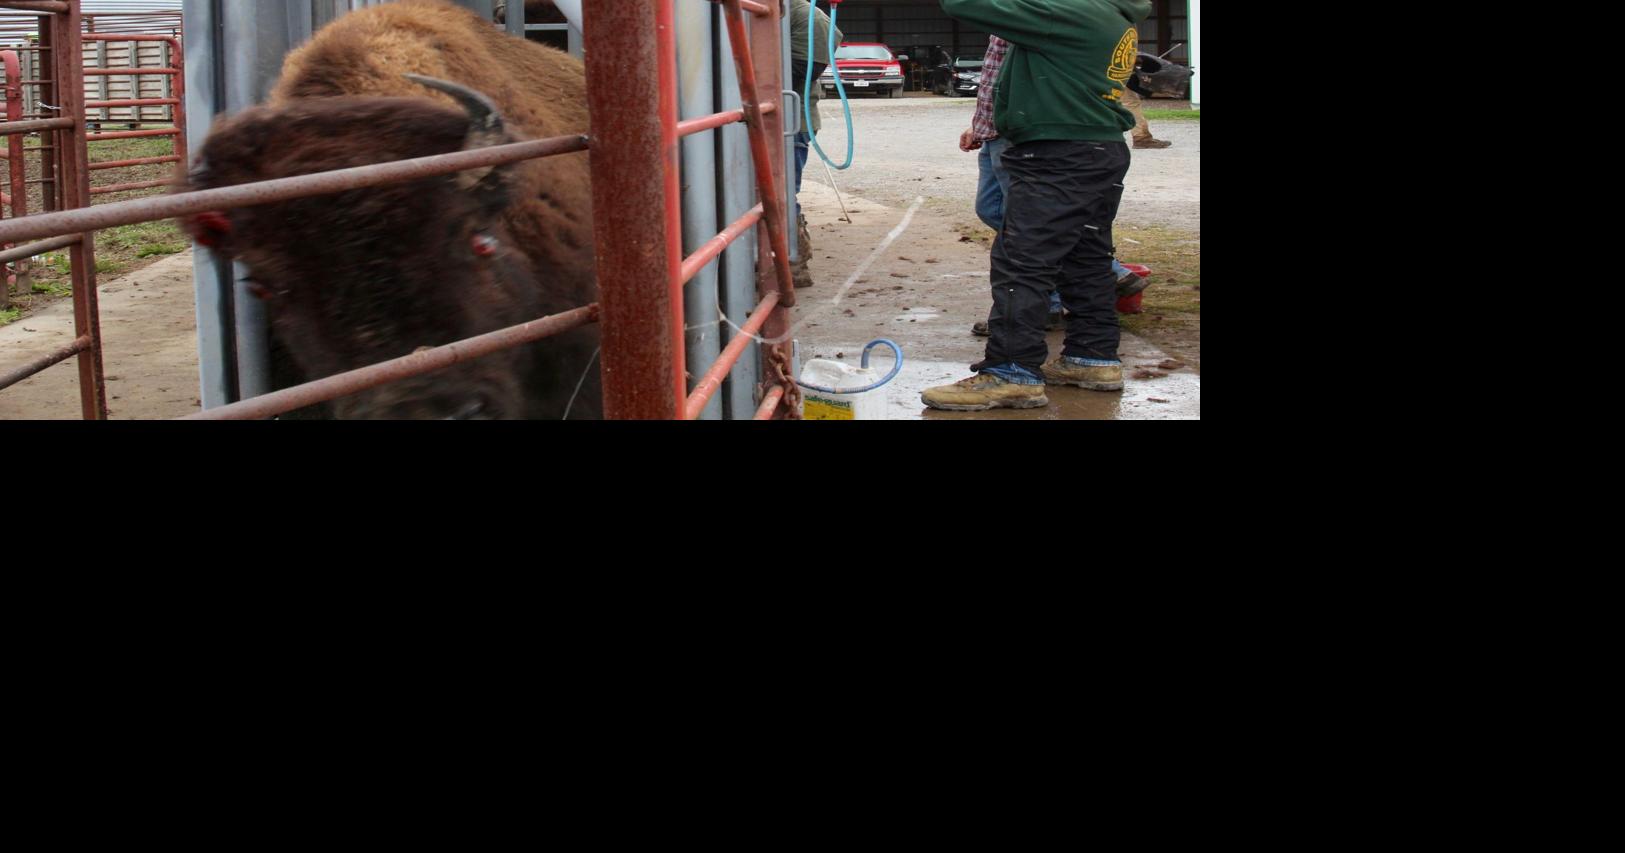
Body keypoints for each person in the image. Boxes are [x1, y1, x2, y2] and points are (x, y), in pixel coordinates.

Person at [924, 0, 1151, 411]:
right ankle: (1092, 357)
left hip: (1058, 152)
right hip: (1094, 147)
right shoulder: (1105, 11)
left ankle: (1011, 372)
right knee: (1087, 259)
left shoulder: (1070, 11)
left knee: (1022, 261)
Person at [959, 33, 1149, 339]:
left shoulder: (1036, 14)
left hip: (1023, 131)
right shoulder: (1008, 15)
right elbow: (998, 74)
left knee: (1032, 225)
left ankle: (1049, 306)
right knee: (992, 210)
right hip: (996, 128)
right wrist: (980, 124)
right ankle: (1111, 273)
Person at [788, 0, 842, 289]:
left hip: (791, 121)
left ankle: (794, 262)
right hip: (761, 118)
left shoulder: (809, 17)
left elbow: (803, 70)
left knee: (783, 192)